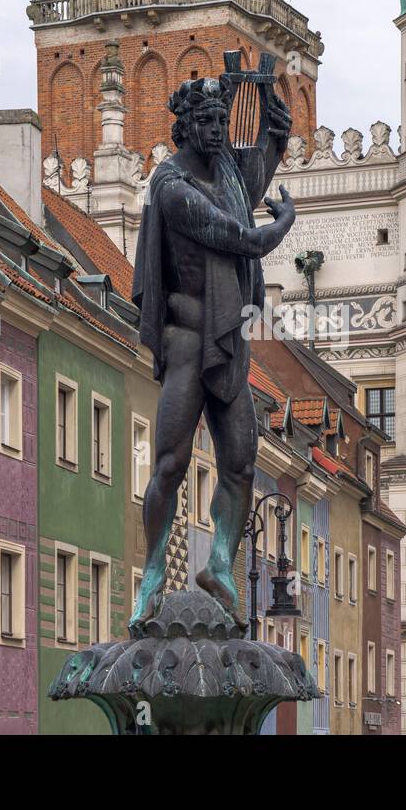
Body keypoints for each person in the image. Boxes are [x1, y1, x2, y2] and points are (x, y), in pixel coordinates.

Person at [130, 73, 295, 628]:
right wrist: (286, 222)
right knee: (171, 463)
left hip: (229, 340)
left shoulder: (223, 166)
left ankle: (220, 563)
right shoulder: (171, 187)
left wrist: (275, 122)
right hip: (185, 338)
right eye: (207, 123)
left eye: (223, 122)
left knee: (241, 461)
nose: (218, 132)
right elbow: (242, 237)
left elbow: (252, 178)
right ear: (184, 128)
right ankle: (154, 571)